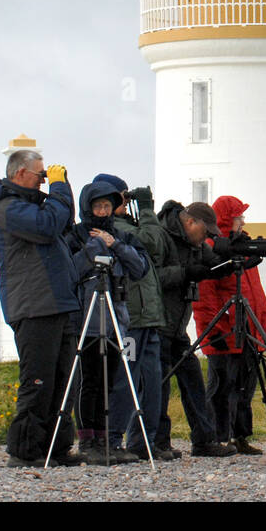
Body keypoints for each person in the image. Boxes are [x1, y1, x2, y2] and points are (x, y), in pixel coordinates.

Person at [0, 150, 84, 467]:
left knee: (63, 380)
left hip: (57, 302)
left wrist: (60, 191)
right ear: (21, 173)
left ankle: (56, 446)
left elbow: (62, 223)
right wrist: (60, 188)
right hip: (34, 305)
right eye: (41, 175)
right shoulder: (7, 209)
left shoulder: (30, 206)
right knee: (38, 381)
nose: (44, 181)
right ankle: (24, 451)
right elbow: (49, 225)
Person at [64, 177, 150, 465]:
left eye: (107, 206)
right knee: (89, 381)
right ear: (88, 207)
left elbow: (140, 268)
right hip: (85, 319)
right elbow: (69, 272)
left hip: (116, 320)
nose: (103, 211)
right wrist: (93, 246)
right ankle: (87, 440)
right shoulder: (75, 235)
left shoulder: (123, 236)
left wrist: (116, 246)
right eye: (98, 206)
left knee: (111, 381)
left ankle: (107, 440)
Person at [93, 175, 169, 461]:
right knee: (127, 378)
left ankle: (143, 441)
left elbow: (156, 248)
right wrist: (148, 210)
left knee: (150, 379)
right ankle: (113, 439)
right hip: (131, 318)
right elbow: (152, 242)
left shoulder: (128, 226)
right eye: (120, 197)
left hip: (147, 316)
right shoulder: (114, 228)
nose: (125, 201)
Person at [192, 195, 266, 456]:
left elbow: (254, 291)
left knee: (244, 386)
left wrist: (262, 323)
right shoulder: (212, 249)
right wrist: (212, 332)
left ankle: (240, 436)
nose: (242, 221)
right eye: (238, 216)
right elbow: (205, 296)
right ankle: (217, 436)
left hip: (246, 328)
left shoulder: (242, 248)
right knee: (222, 387)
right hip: (224, 330)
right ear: (227, 219)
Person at [151, 199, 230, 456]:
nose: (206, 238)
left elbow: (214, 263)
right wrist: (185, 273)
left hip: (177, 327)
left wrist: (233, 255)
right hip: (158, 323)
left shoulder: (195, 242)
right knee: (160, 385)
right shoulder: (160, 235)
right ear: (190, 222)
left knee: (193, 380)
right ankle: (159, 442)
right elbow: (152, 276)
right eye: (205, 232)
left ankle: (205, 440)